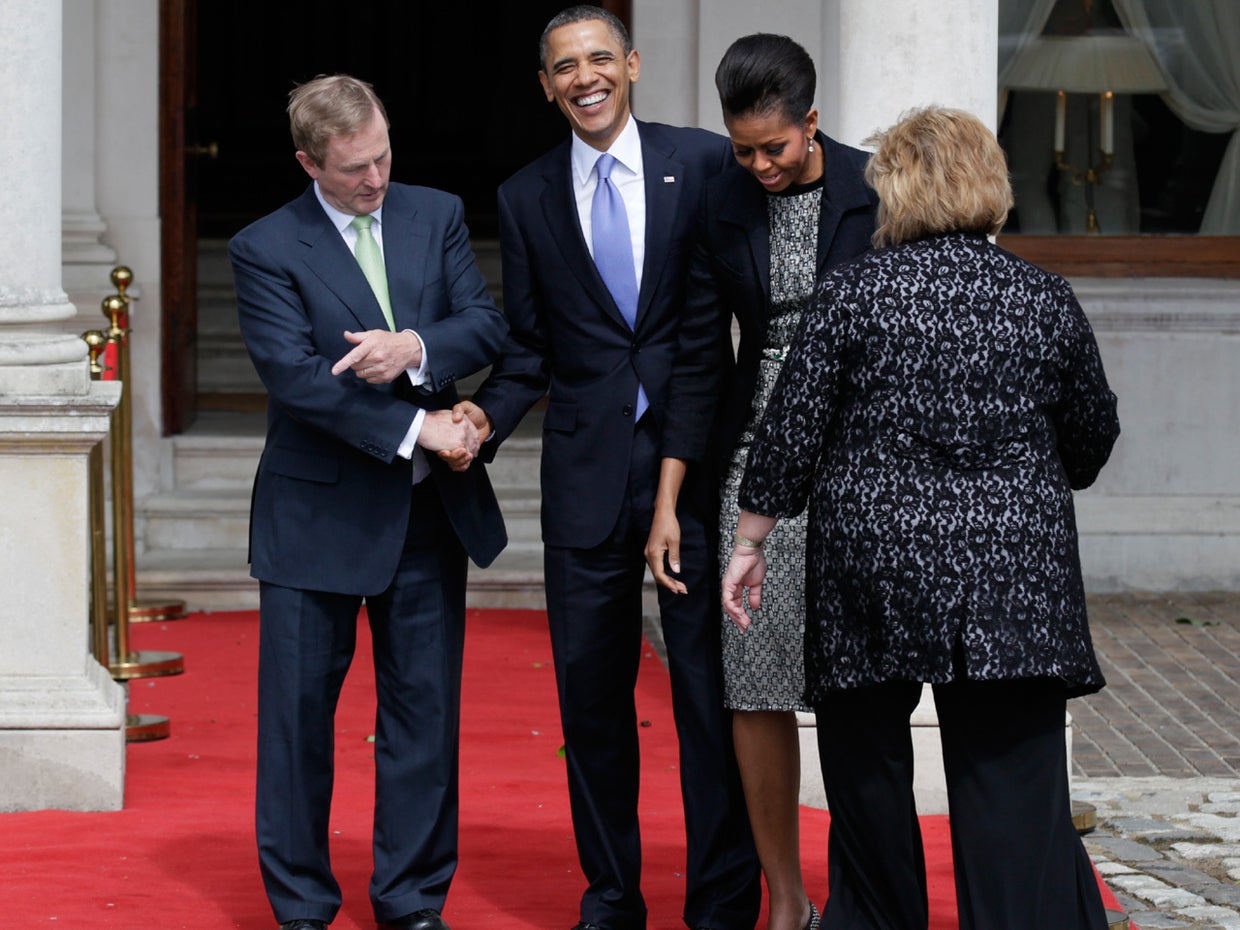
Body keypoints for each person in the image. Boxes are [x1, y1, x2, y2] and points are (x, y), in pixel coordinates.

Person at [721, 105, 1120, 930]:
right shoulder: (1043, 296)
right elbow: (1091, 438)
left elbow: (791, 430)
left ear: (894, 194)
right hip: (1013, 573)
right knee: (1010, 787)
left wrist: (750, 542)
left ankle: (876, 917)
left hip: (872, 567)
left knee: (867, 771)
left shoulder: (853, 292)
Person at [453, 7, 761, 930]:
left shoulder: (704, 162)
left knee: (708, 698)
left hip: (693, 470)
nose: (584, 77)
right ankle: (612, 898)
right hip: (583, 479)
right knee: (590, 703)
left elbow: (721, 320)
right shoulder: (525, 194)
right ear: (545, 87)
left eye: (598, 58)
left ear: (630, 65)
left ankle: (721, 902)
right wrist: (481, 416)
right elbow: (528, 351)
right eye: (563, 67)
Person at [229, 74, 508, 930]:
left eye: (383, 155)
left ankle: (412, 903)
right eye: (354, 168)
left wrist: (415, 348)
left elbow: (483, 324)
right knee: (299, 727)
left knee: (424, 719)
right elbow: (298, 381)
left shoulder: (437, 211)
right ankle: (304, 907)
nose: (376, 179)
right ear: (310, 162)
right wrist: (416, 431)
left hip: (429, 518)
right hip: (315, 516)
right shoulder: (266, 246)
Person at [645, 34, 876, 930]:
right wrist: (671, 499)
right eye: (741, 148)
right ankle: (785, 899)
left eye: (773, 147)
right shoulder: (721, 201)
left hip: (861, 458)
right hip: (755, 457)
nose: (757, 165)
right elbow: (701, 361)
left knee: (861, 684)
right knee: (755, 678)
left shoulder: (874, 188)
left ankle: (867, 894)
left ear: (811, 123)